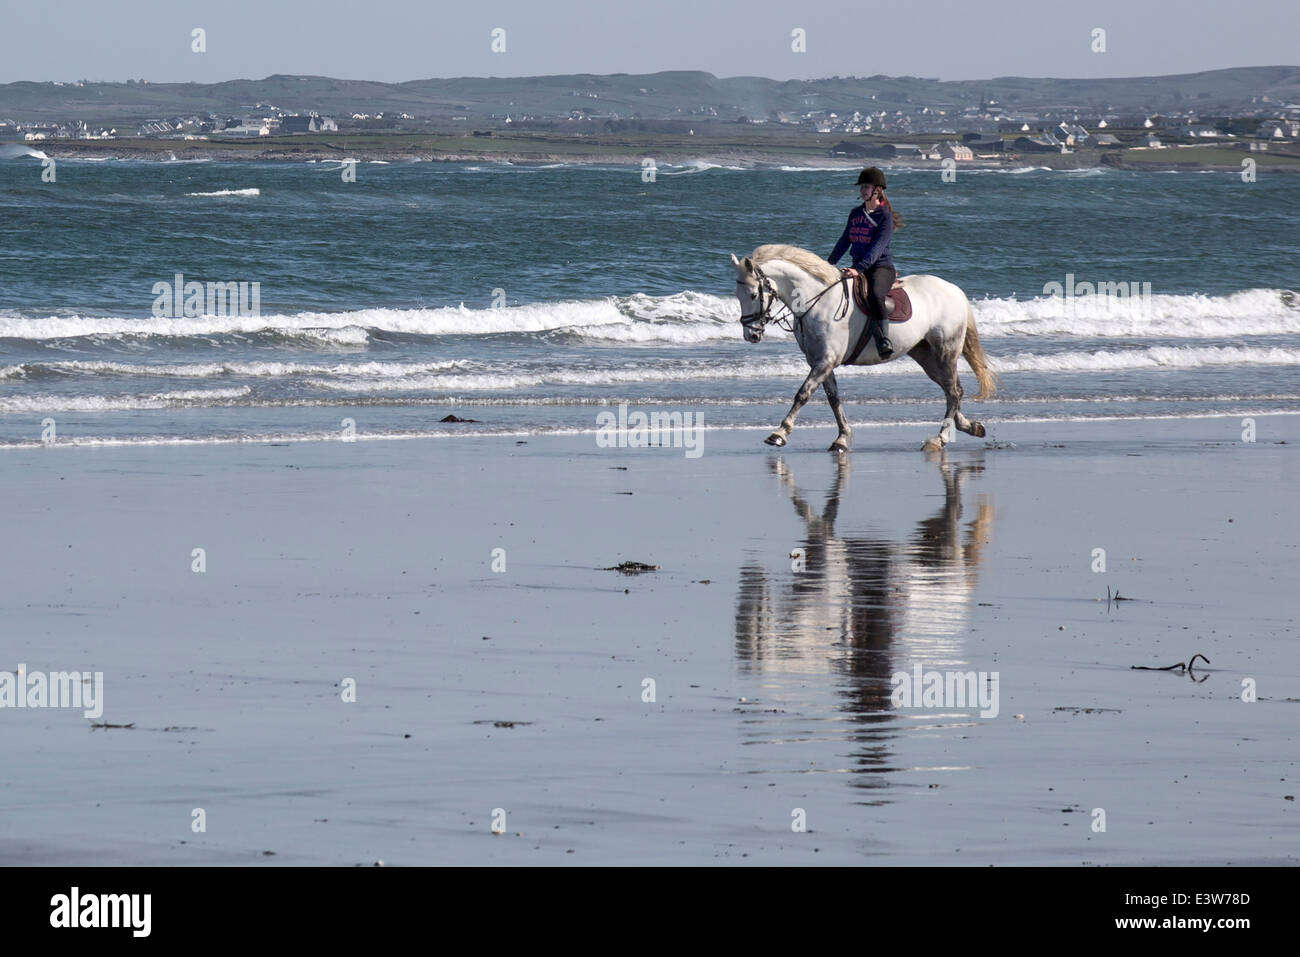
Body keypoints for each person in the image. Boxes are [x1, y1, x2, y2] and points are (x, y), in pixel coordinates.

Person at [828, 167, 904, 359]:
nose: (862, 191)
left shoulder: (884, 216)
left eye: (866, 187)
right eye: (861, 187)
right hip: (857, 267)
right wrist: (828, 265)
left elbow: (877, 249)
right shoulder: (855, 213)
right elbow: (844, 241)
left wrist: (858, 269)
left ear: (877, 190)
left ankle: (884, 340)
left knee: (875, 295)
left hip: (880, 268)